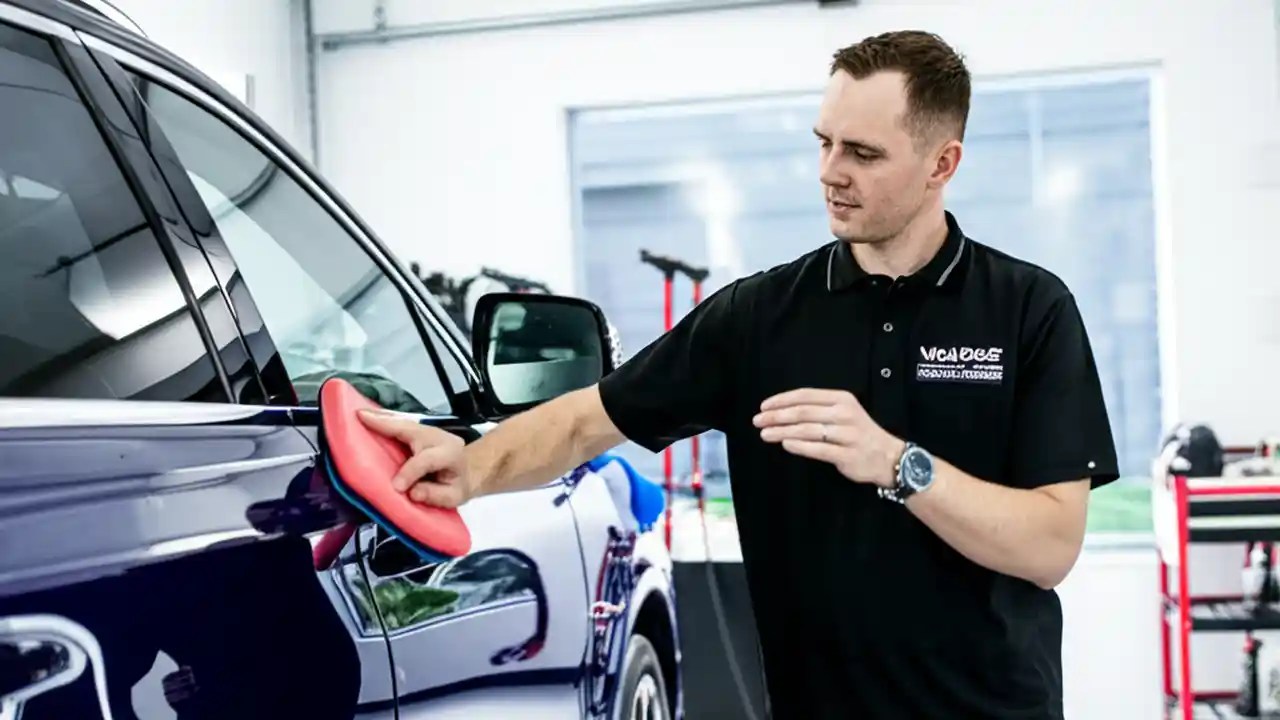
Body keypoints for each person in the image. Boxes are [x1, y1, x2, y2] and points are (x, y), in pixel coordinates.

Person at [359, 29, 1117, 720]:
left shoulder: (1029, 311)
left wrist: (894, 462)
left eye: (863, 153)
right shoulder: (759, 319)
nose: (830, 172)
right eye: (824, 143)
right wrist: (467, 467)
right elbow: (586, 420)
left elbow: (1050, 546)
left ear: (942, 163)